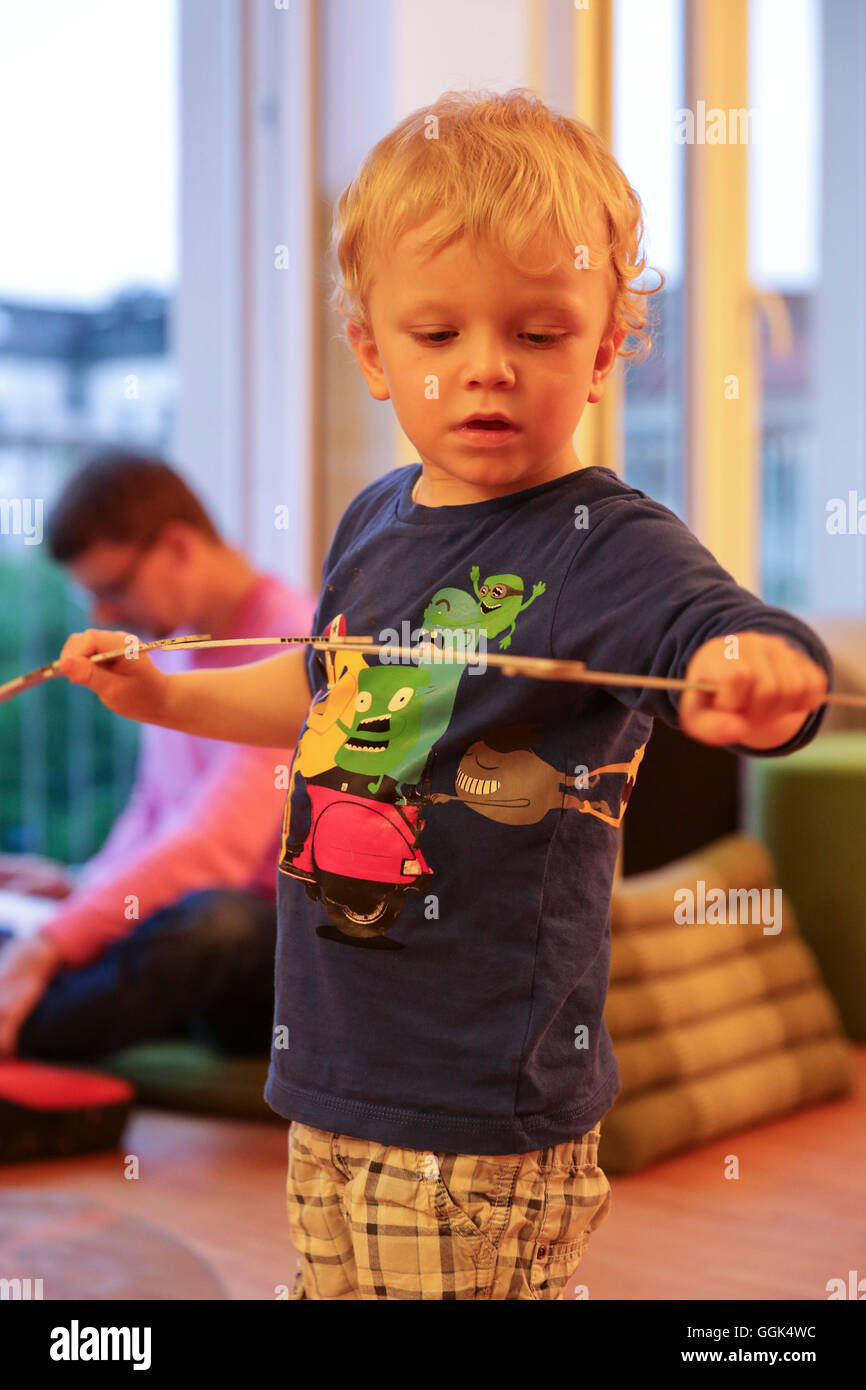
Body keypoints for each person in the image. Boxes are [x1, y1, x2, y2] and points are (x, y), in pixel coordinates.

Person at [54, 91, 834, 1300]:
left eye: (535, 333)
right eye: (435, 335)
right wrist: (164, 696)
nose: (485, 370)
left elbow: (723, 633)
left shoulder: (603, 539)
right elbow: (327, 688)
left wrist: (759, 675)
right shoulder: (377, 521)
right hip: (331, 1063)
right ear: (372, 351)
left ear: (607, 343)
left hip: (476, 1098)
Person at [0, 452, 317, 1061]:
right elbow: (154, 810)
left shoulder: (294, 642)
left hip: (272, 957)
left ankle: (26, 1027)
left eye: (112, 589)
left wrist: (52, 944)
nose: (102, 616)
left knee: (218, 925)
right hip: (178, 957)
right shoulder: (171, 652)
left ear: (177, 546)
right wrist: (81, 885)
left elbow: (216, 849)